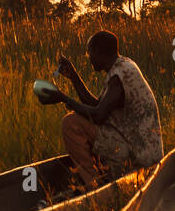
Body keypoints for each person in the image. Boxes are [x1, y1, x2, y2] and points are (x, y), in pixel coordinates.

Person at [42, 30, 164, 188]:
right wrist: (73, 76)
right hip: (137, 148)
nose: (89, 58)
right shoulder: (123, 66)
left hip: (138, 156)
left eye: (90, 52)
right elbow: (96, 106)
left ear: (99, 51)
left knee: (70, 123)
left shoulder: (119, 76)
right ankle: (100, 178)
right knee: (78, 119)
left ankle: (93, 186)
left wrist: (63, 98)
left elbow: (98, 115)